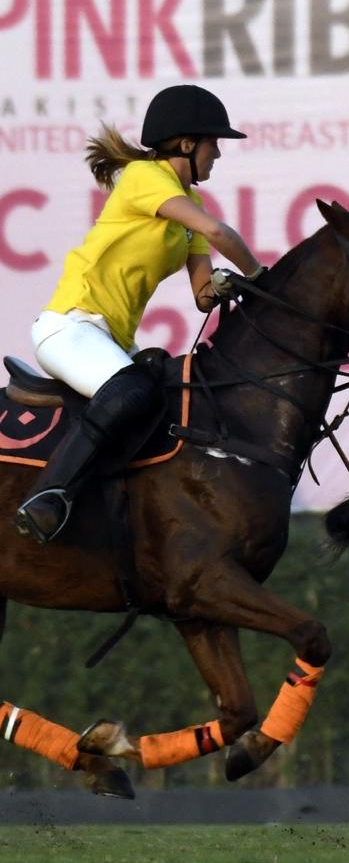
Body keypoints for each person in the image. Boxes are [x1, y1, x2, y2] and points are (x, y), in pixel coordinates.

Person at [13, 84, 265, 544]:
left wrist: (230, 286)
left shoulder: (192, 204)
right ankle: (47, 497)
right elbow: (217, 232)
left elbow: (203, 294)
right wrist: (261, 275)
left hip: (110, 340)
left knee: (164, 399)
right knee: (131, 394)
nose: (219, 155)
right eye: (214, 144)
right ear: (186, 145)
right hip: (69, 325)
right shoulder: (145, 178)